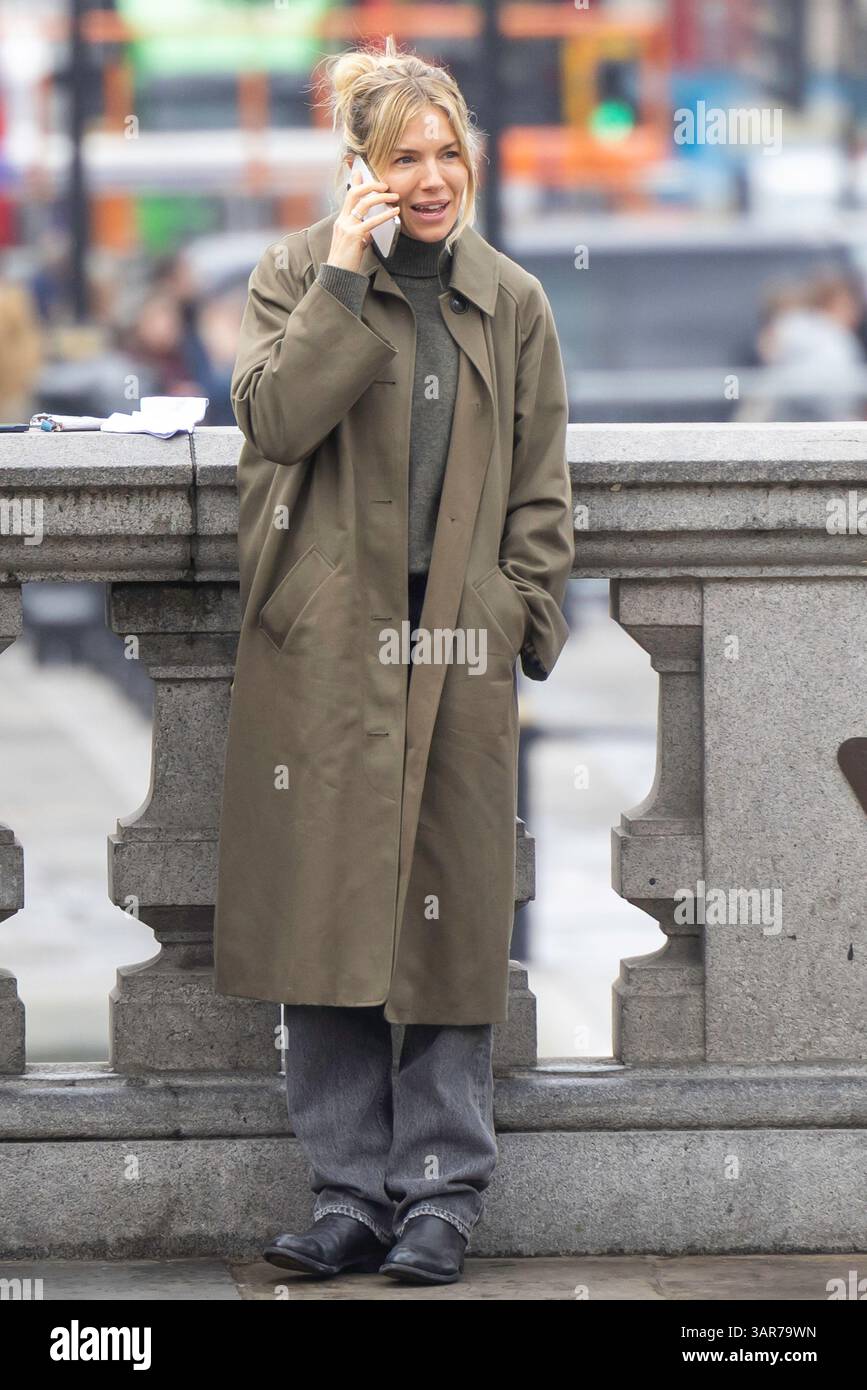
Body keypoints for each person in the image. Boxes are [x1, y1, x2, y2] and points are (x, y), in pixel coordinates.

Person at [213, 35, 574, 1285]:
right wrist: (346, 279)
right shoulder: (296, 274)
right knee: (329, 924)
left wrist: (520, 609)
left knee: (448, 929)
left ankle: (440, 1196)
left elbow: (541, 492)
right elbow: (270, 419)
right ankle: (348, 1194)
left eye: (446, 152)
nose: (431, 178)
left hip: (456, 648)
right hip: (329, 651)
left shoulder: (512, 300)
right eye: (401, 156)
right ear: (357, 168)